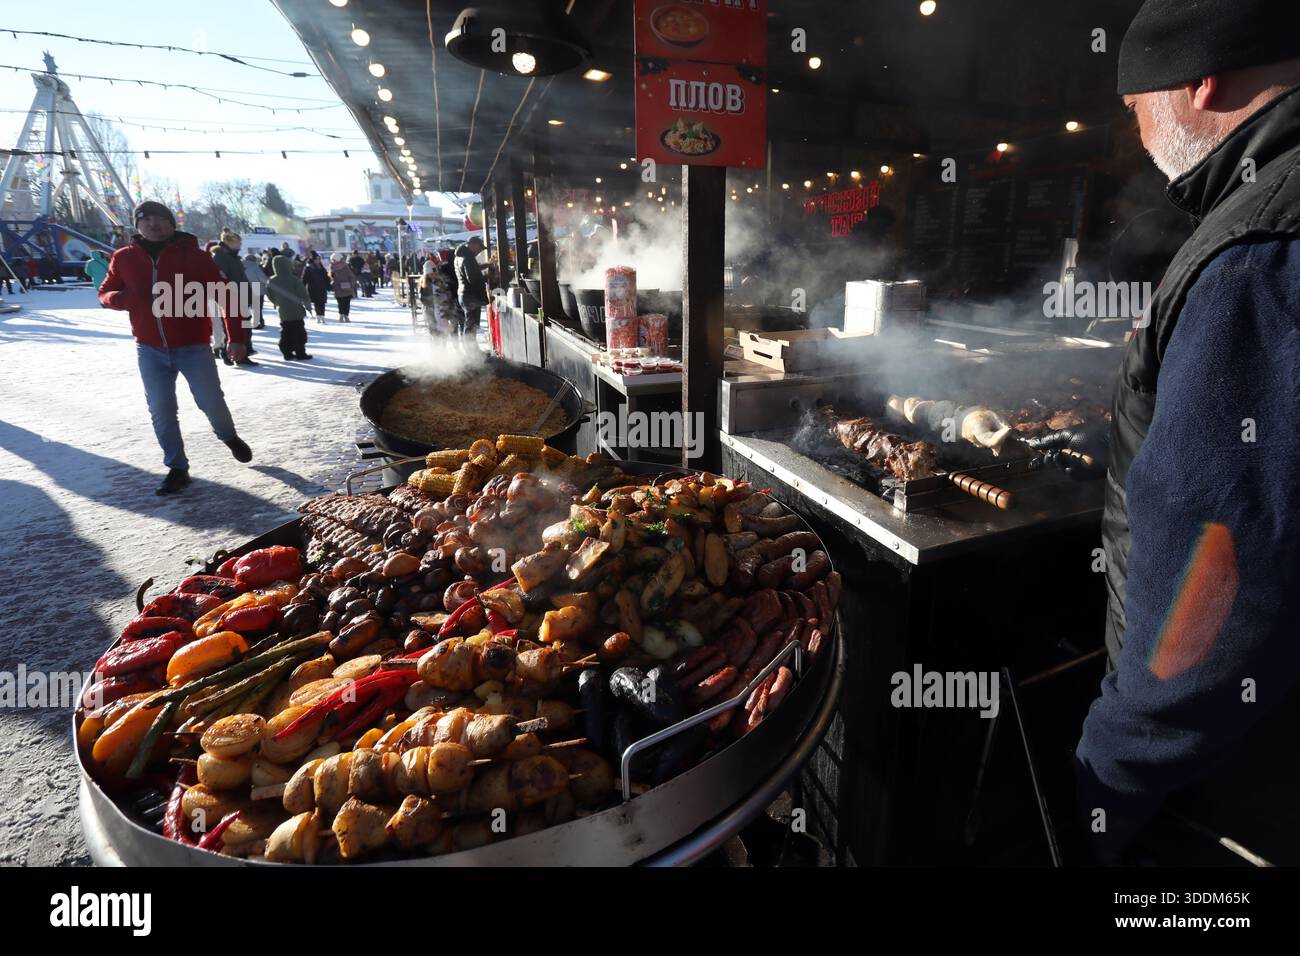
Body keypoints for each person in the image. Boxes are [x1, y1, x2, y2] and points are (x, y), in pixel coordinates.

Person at [1068, 0, 1300, 864]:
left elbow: (1229, 557)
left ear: (1202, 80)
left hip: (1245, 784)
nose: (1137, 135)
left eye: (1138, 106)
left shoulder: (1256, 253)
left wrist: (1115, 769)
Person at [97, 200, 252, 495]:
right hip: (149, 349)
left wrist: (237, 338)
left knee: (211, 402)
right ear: (137, 225)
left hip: (192, 346)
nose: (154, 225)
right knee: (161, 409)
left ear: (172, 224)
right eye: (146, 220)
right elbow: (104, 291)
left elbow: (227, 297)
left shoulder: (194, 257)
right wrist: (117, 299)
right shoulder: (124, 258)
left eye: (160, 219)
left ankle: (229, 436)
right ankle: (177, 467)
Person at [211, 229, 257, 366]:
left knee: (244, 327)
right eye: (238, 242)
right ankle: (235, 356)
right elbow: (221, 279)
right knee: (236, 328)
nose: (240, 245)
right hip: (231, 299)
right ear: (228, 242)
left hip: (241, 297)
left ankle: (237, 354)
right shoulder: (220, 257)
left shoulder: (233, 257)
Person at [264, 254, 313, 361]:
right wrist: (308, 306)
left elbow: (269, 295)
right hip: (296, 310)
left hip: (283, 312)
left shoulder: (272, 280)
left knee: (286, 332)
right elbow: (303, 294)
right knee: (299, 332)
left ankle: (287, 352)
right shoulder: (293, 279)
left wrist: (277, 303)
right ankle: (300, 353)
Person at [453, 236, 488, 347]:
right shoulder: (468, 257)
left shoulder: (460, 256)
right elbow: (473, 279)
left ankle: (470, 352)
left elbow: (469, 271)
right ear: (473, 245)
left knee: (467, 325)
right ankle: (471, 353)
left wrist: (485, 266)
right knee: (471, 326)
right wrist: (487, 277)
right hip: (471, 296)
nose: (479, 252)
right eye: (479, 248)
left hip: (463, 294)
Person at [242, 252, 268, 329]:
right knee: (257, 307)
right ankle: (258, 322)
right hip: (256, 287)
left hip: (244, 287)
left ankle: (245, 322)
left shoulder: (239, 265)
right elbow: (263, 279)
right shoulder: (255, 267)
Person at [329, 252, 356, 322]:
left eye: (333, 259)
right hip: (338, 287)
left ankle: (345, 315)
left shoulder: (345, 266)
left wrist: (351, 284)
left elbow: (351, 276)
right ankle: (342, 315)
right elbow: (330, 277)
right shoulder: (332, 267)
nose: (333, 261)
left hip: (345, 287)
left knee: (346, 302)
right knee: (341, 302)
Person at [303, 252, 329, 322]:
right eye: (317, 259)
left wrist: (329, 286)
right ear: (313, 260)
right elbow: (305, 279)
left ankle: (322, 316)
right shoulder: (309, 268)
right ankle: (318, 316)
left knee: (322, 302)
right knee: (317, 303)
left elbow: (326, 277)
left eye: (319, 259)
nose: (318, 260)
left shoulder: (322, 268)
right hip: (313, 288)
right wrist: (303, 286)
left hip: (322, 288)